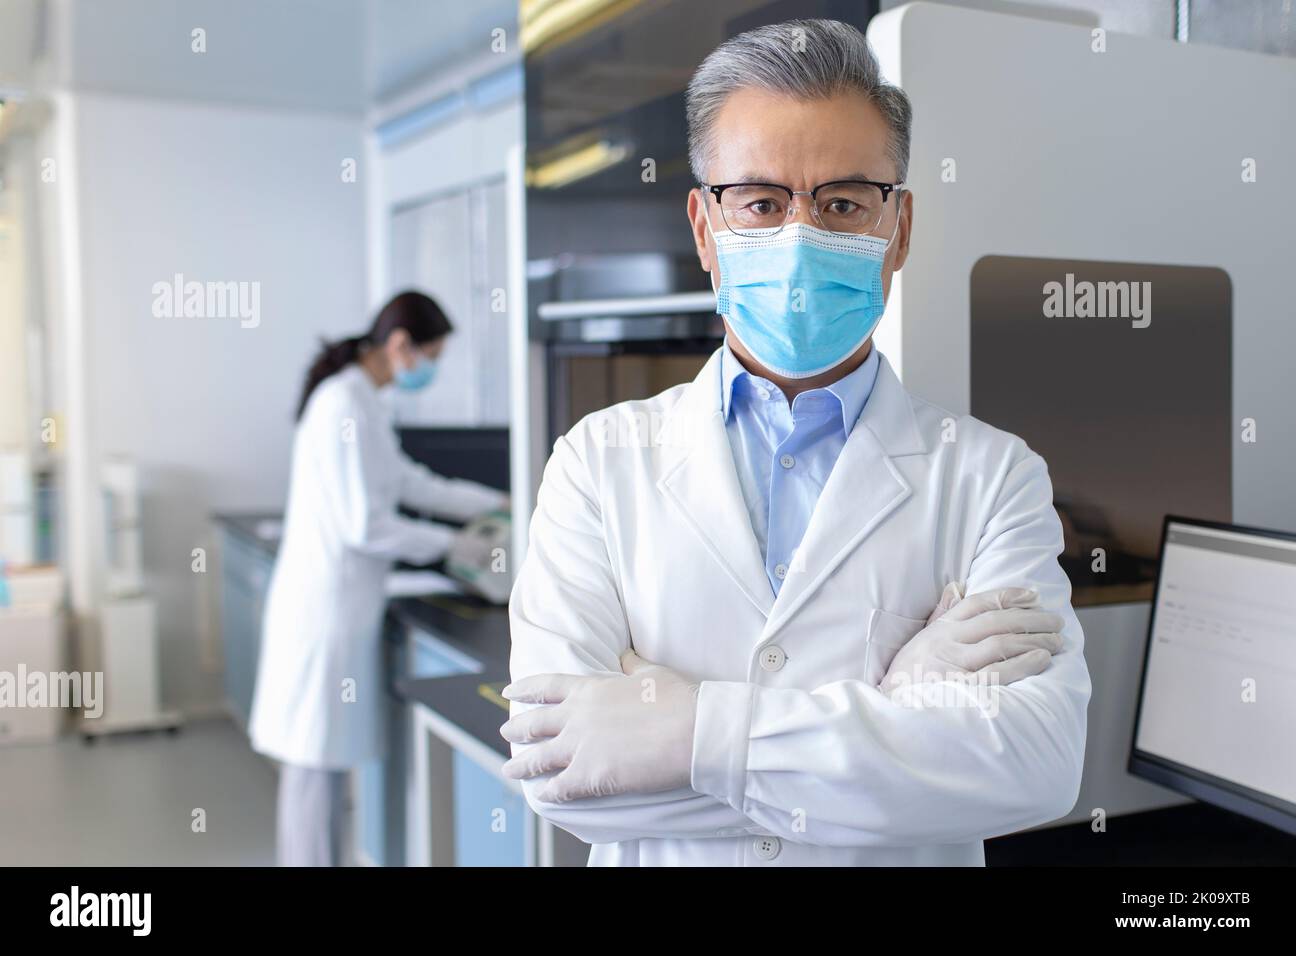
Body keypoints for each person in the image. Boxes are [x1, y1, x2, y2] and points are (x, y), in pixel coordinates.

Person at [501, 19, 1091, 866]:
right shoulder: (597, 463)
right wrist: (898, 703)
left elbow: (1034, 765)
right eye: (762, 202)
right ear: (706, 230)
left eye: (843, 201)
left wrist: (685, 728)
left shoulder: (993, 475)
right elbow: (558, 773)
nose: (801, 236)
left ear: (900, 230)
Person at [250, 290, 507, 866]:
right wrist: (455, 544)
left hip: (340, 608)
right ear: (399, 346)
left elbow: (412, 483)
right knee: (313, 772)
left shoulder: (362, 401)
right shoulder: (344, 403)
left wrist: (496, 502)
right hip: (324, 614)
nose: (431, 369)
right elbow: (363, 524)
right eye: (432, 356)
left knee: (320, 769)